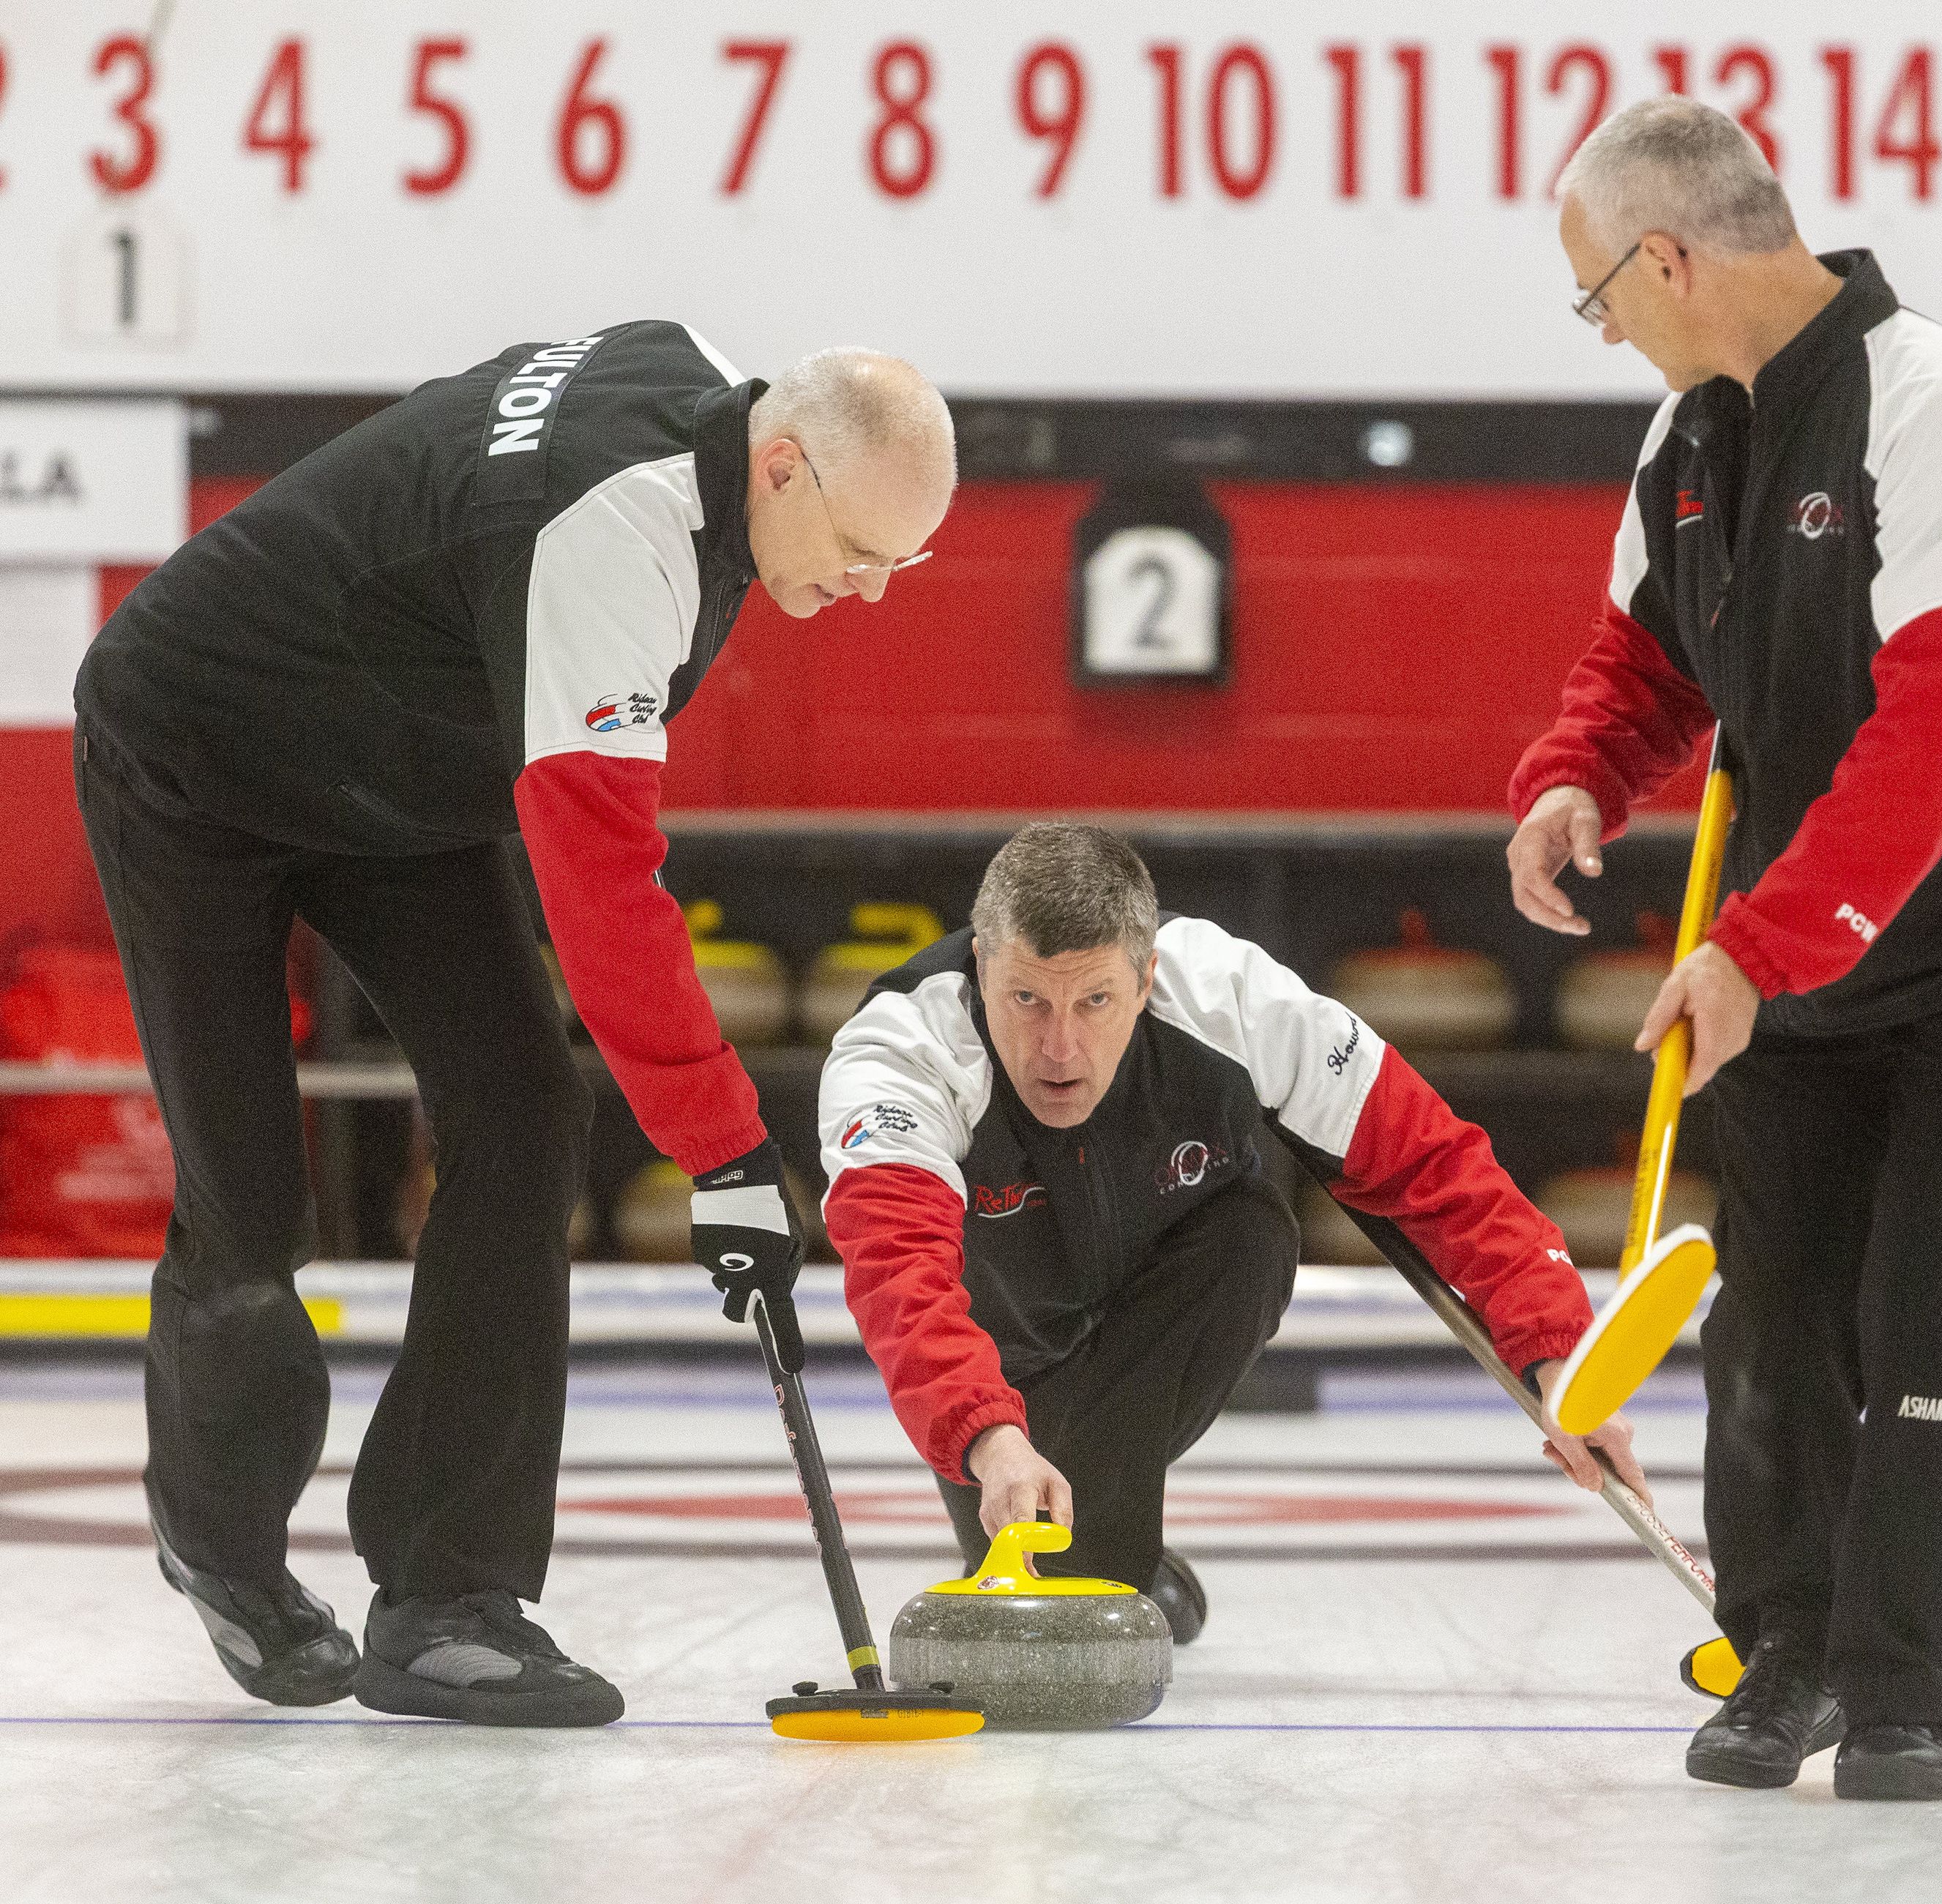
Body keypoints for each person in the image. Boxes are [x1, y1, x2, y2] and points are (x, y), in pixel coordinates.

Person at [74, 330, 954, 1724]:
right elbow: (603, 894)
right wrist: (729, 1157)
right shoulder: (620, 531)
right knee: (249, 1205)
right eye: (858, 552)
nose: (867, 589)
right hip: (194, 757)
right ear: (781, 465)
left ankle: (447, 1596)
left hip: (393, 773)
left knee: (529, 1108)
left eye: (900, 565)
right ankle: (223, 1548)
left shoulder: (712, 397)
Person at [1507, 100, 1942, 1801]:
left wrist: (1754, 949)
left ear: (1666, 258)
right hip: (1800, 946)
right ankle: (1780, 1651)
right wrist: (1576, 777)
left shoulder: (1937, 405)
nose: (1603, 330)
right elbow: (1647, 661)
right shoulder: (1683, 442)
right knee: (1771, 1314)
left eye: (1597, 295)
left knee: (1924, 1300)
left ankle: (1903, 1687)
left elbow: (1930, 739)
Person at [817, 821, 1647, 1637]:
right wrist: (987, 1436)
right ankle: (1106, 1539)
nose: (1059, 1047)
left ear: (1147, 976)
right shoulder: (898, 1054)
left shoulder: (1236, 996)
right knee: (1056, 1566)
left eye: (1096, 1000)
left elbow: (1436, 1166)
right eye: (1026, 999)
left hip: (1167, 1298)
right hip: (995, 1346)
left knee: (1253, 1233)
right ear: (981, 965)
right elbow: (902, 1280)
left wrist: (1559, 1357)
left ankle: (1105, 1540)